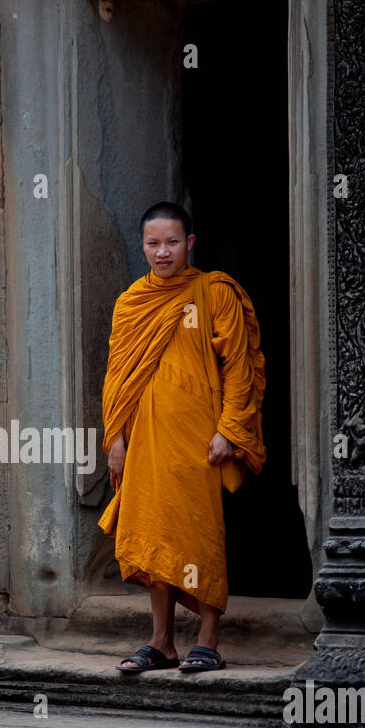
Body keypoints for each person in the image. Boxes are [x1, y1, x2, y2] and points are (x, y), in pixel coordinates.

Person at [99, 202, 266, 674]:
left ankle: (208, 641)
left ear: (189, 243)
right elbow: (116, 376)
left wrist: (230, 429)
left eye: (172, 242)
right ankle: (161, 643)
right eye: (153, 243)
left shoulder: (213, 292)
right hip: (144, 437)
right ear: (143, 245)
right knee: (154, 533)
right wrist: (115, 439)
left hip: (199, 437)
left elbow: (240, 366)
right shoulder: (132, 302)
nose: (162, 252)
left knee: (197, 532)